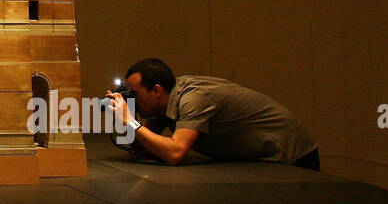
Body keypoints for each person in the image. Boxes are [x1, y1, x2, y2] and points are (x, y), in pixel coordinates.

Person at [105, 57, 319, 170]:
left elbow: (174, 153)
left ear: (157, 91)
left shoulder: (193, 98)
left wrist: (130, 121)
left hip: (293, 156)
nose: (131, 98)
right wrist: (123, 118)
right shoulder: (164, 105)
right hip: (264, 162)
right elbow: (141, 146)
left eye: (134, 93)